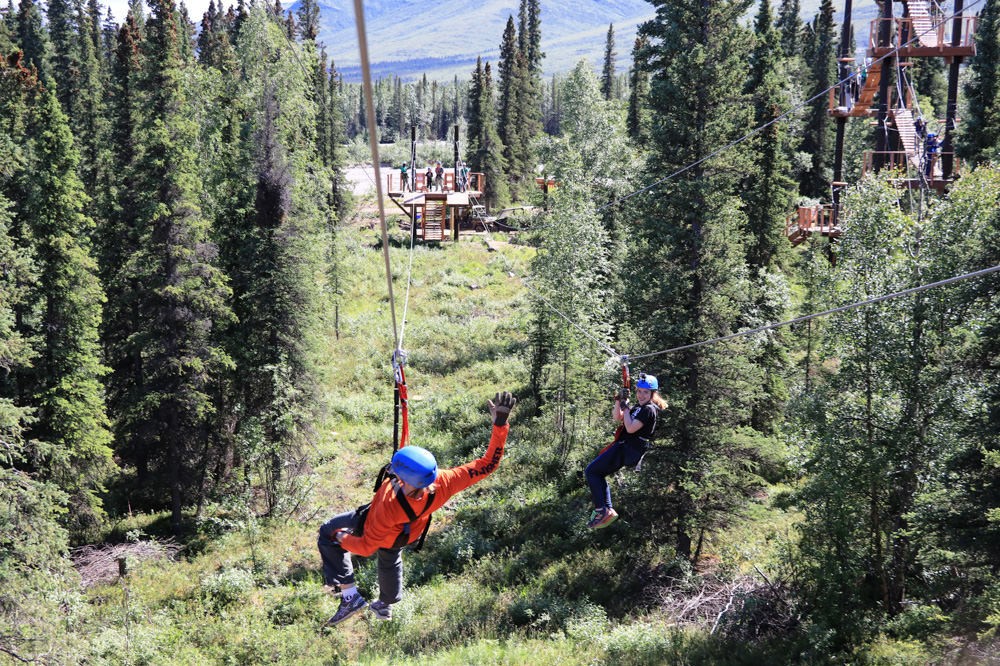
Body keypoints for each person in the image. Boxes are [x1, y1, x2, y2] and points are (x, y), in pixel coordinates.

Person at [317, 391, 517, 625]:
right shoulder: (443, 482)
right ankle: (386, 604)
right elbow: (487, 465)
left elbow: (366, 547)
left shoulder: (388, 508)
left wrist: (342, 538)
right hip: (410, 532)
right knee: (391, 557)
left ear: (405, 479)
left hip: (382, 525)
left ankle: (350, 596)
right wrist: (499, 426)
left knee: (328, 531)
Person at [584, 373, 667, 529]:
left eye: (645, 392)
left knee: (591, 471)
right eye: (639, 391)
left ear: (652, 394)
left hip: (628, 448)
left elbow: (630, 428)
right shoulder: (638, 407)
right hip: (625, 448)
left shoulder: (649, 409)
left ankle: (602, 509)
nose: (641, 395)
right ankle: (607, 509)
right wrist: (619, 401)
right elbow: (618, 417)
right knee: (597, 473)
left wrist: (627, 408)